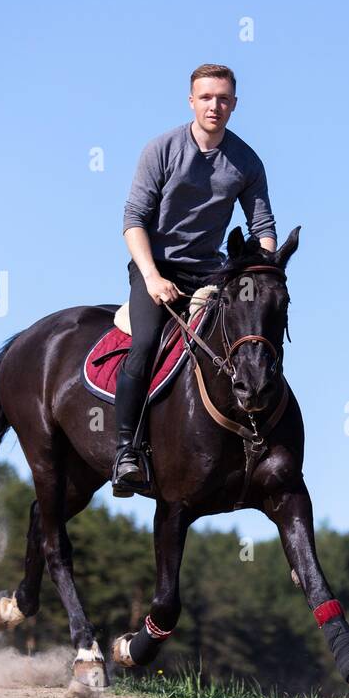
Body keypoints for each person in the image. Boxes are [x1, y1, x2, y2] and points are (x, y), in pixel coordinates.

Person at [114, 62, 277, 496]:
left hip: (211, 272)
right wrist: (150, 277)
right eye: (206, 97)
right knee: (146, 343)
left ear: (234, 104)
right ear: (191, 101)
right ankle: (126, 450)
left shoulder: (246, 161)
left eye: (223, 99)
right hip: (156, 266)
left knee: (243, 340)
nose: (214, 106)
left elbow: (262, 227)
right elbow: (133, 220)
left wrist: (263, 276)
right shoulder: (161, 149)